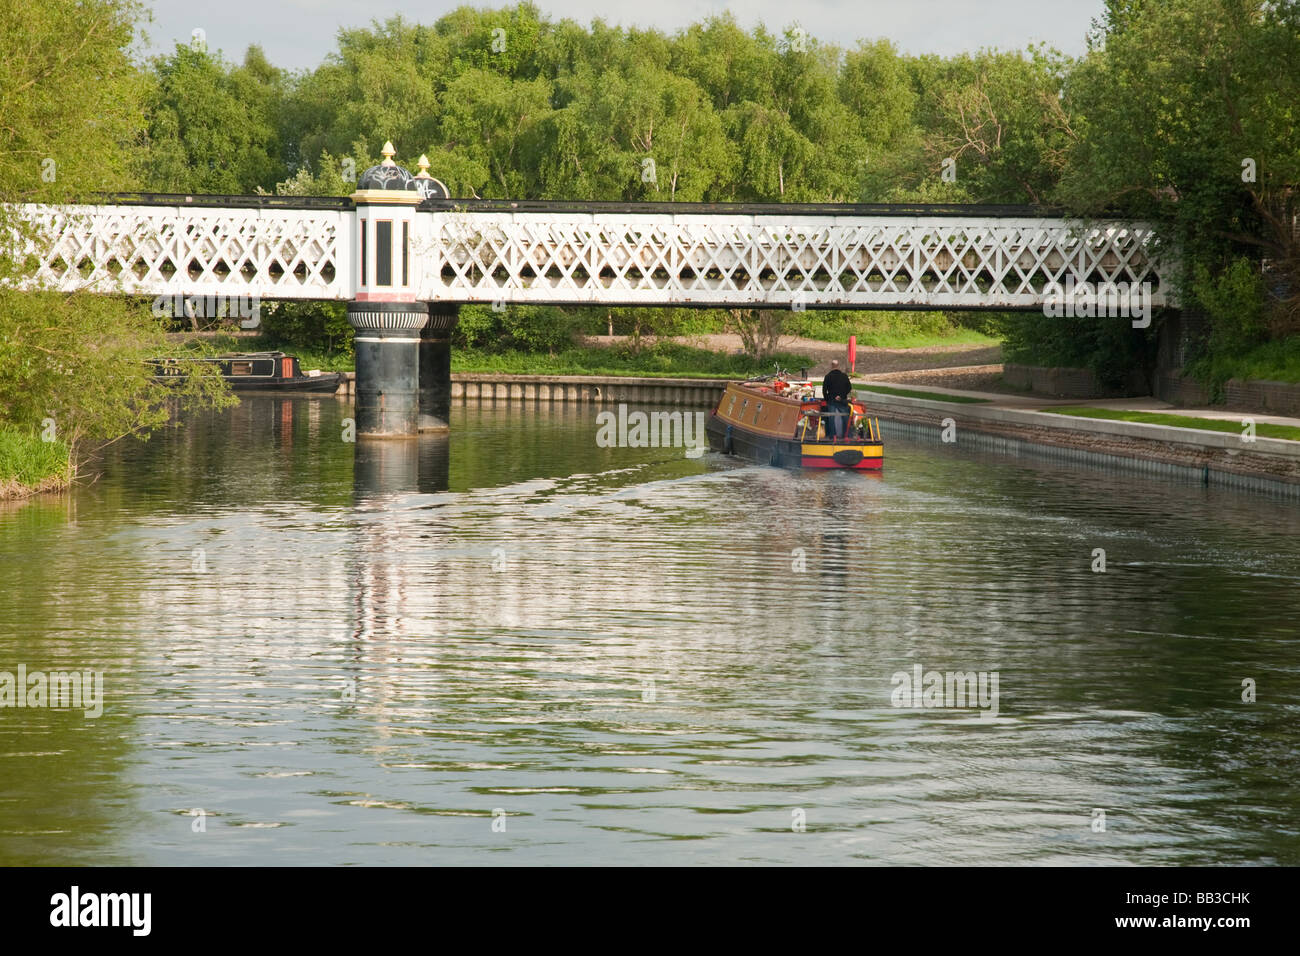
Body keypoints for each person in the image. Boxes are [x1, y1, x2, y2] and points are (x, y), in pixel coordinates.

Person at [822, 359, 852, 440]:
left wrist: (827, 399)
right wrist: (841, 396)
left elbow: (824, 390)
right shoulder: (844, 376)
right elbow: (849, 388)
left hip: (832, 401)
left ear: (831, 366)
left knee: (831, 418)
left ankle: (833, 436)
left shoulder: (828, 376)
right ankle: (847, 435)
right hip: (842, 401)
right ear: (838, 366)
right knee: (845, 417)